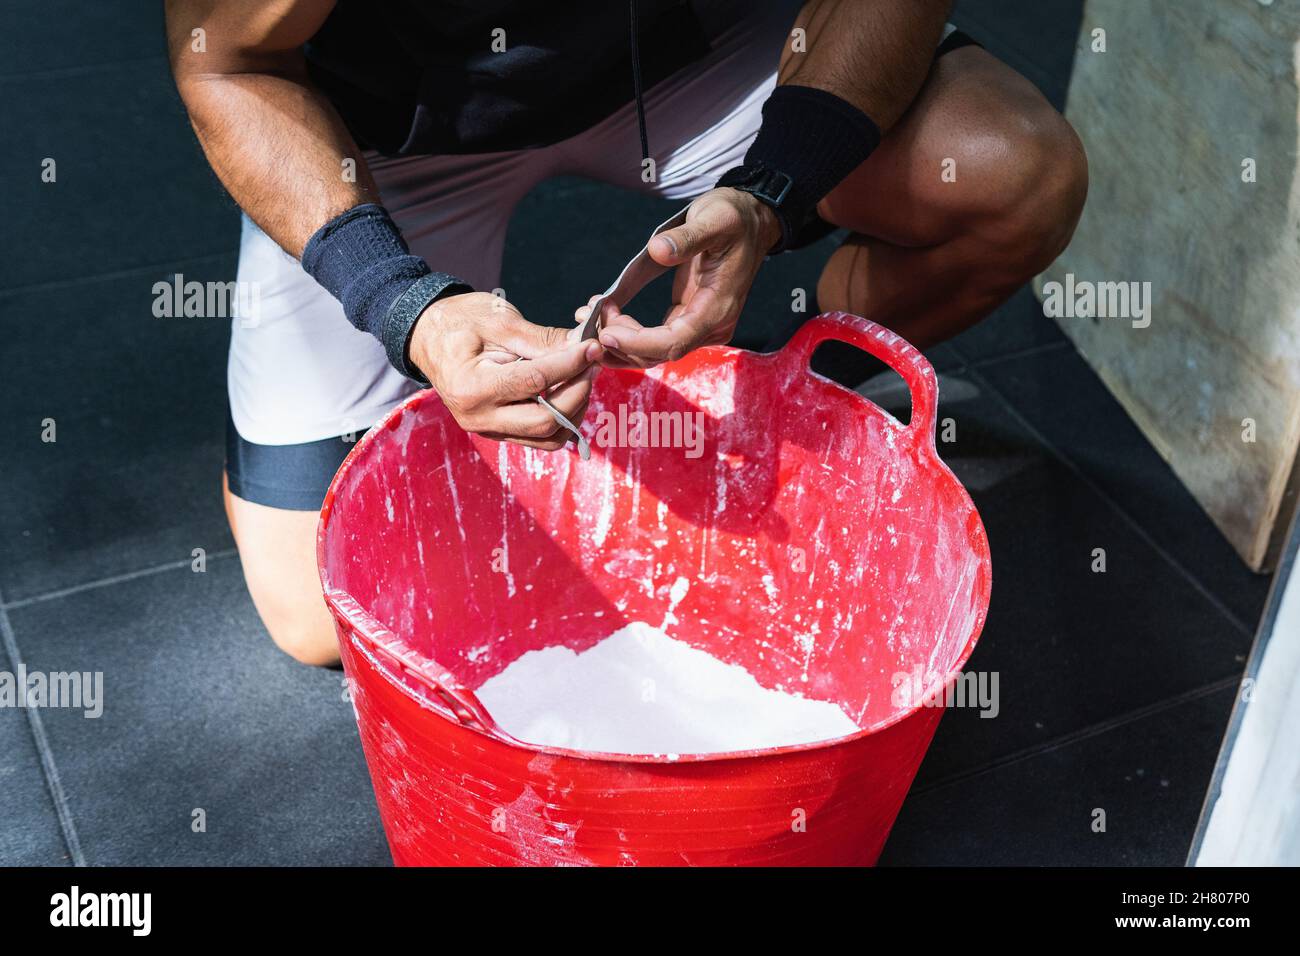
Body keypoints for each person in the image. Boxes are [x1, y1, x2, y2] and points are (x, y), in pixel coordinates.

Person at [165, 0, 1087, 666]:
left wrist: (772, 191)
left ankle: (793, 414)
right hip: (392, 130)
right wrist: (406, 304)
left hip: (696, 45)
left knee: (1012, 174)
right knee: (319, 610)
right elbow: (223, 60)